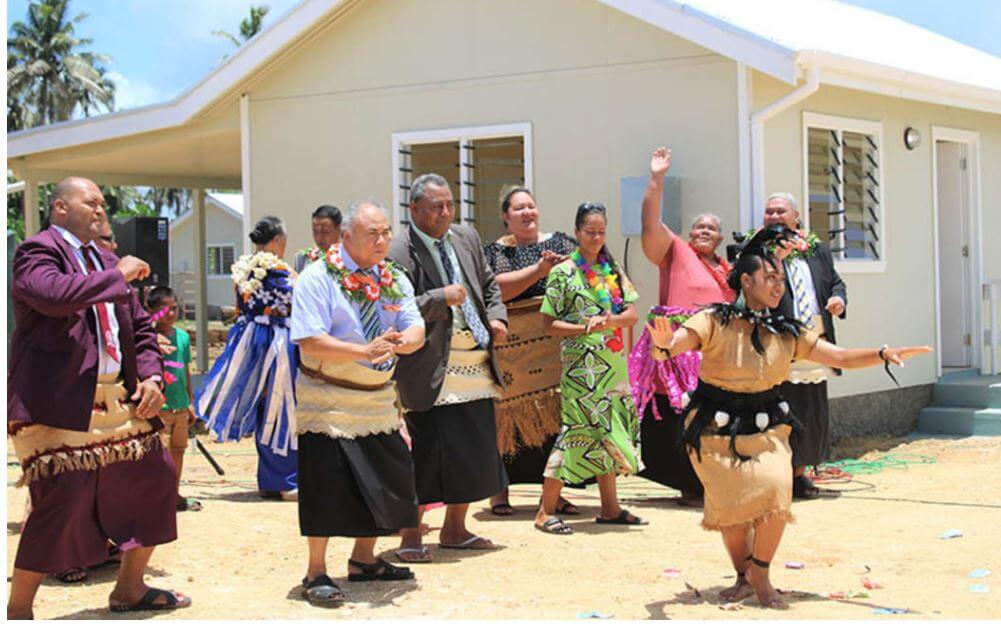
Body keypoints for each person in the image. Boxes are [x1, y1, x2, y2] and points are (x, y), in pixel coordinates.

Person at [646, 224, 929, 609]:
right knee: (731, 517)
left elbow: (840, 356)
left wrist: (882, 353)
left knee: (777, 493)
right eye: (770, 278)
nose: (778, 286)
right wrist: (664, 345)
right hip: (713, 430)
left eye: (781, 279)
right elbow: (677, 344)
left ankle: (760, 572)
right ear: (746, 281)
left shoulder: (787, 331)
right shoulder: (713, 319)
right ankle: (744, 576)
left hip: (768, 428)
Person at [8, 176, 189, 618]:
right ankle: (17, 610)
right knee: (62, 500)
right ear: (60, 209)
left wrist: (150, 377)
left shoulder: (104, 259)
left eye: (103, 203)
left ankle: (129, 588)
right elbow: (53, 296)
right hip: (62, 399)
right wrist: (117, 274)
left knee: (157, 478)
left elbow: (142, 329)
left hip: (120, 398)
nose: (101, 210)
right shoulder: (38, 251)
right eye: (90, 203)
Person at [291, 200, 426, 605]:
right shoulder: (318, 277)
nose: (384, 240)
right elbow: (309, 340)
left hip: (378, 398)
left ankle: (364, 559)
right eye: (374, 233)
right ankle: (316, 570)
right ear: (346, 236)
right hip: (328, 398)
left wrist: (402, 341)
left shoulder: (394, 278)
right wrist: (364, 351)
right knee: (326, 485)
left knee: (386, 479)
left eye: (387, 232)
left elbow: (415, 323)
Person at [388, 173, 509, 562]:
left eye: (450, 205)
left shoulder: (466, 237)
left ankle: (456, 529)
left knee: (474, 450)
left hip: (474, 360)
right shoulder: (397, 252)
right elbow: (394, 309)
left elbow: (489, 285)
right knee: (426, 455)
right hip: (429, 366)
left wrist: (497, 317)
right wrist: (441, 298)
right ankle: (410, 535)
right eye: (436, 206)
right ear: (415, 210)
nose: (445, 213)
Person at [533, 202, 644, 535]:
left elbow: (632, 315)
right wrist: (586, 329)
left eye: (601, 232)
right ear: (577, 232)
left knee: (608, 429)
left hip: (612, 364)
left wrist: (608, 320)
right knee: (577, 431)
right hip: (582, 368)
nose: (596, 237)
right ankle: (544, 510)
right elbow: (548, 324)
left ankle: (610, 508)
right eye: (589, 231)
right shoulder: (563, 272)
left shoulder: (612, 269)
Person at [630, 147, 733, 507]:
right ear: (689, 233)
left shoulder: (727, 272)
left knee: (709, 418)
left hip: (711, 354)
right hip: (673, 350)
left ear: (720, 238)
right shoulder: (674, 251)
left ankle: (709, 482)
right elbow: (649, 223)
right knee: (674, 415)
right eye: (699, 227)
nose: (704, 231)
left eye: (712, 228)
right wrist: (656, 179)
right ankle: (687, 484)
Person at [483, 186, 578, 517]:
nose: (527, 213)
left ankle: (553, 493)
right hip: (511, 348)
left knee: (555, 417)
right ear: (506, 217)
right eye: (519, 208)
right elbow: (495, 292)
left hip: (554, 345)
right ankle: (499, 492)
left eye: (531, 206)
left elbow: (589, 277)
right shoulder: (495, 252)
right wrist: (539, 271)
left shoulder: (563, 243)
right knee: (505, 418)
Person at [195, 216, 299, 500]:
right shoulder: (277, 270)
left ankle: (271, 478)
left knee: (266, 403)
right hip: (277, 343)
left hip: (249, 341)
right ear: (278, 240)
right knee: (282, 404)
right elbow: (296, 301)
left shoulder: (243, 268)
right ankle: (285, 479)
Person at [762, 192, 847, 499]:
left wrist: (838, 299)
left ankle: (800, 474)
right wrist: (776, 258)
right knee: (781, 409)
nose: (773, 216)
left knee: (810, 410)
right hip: (779, 343)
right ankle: (778, 474)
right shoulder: (757, 251)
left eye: (780, 211)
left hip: (815, 341)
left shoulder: (817, 249)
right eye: (768, 211)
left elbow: (835, 282)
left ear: (795, 216)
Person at [148, 286, 200, 512]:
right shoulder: (148, 339)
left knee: (178, 451)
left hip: (179, 406)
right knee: (161, 455)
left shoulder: (183, 337)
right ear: (152, 311)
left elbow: (186, 371)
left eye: (174, 308)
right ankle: (158, 496)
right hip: (161, 408)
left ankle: (173, 493)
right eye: (163, 309)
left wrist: (189, 402)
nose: (170, 313)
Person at [294, 205, 343, 272]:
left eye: (325, 231)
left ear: (339, 229)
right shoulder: (303, 258)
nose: (319, 237)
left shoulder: (350, 258)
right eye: (315, 231)